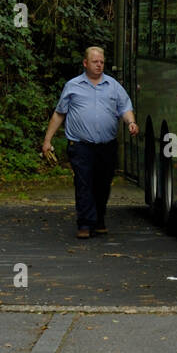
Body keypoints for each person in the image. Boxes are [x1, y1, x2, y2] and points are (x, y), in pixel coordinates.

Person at [42, 47, 139, 239]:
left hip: (106, 145)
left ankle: (99, 218)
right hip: (81, 145)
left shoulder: (113, 86)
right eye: (95, 62)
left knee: (102, 184)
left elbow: (125, 107)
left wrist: (131, 122)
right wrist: (47, 140)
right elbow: (60, 113)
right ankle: (85, 223)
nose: (99, 65)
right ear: (85, 63)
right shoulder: (72, 86)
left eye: (102, 62)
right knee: (83, 183)